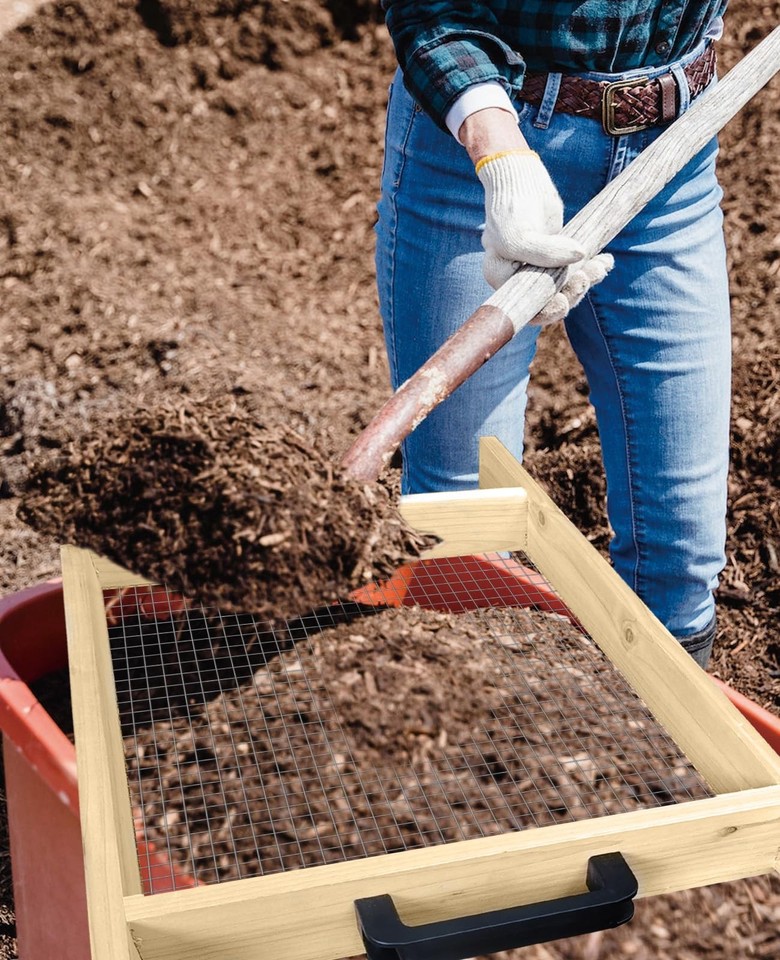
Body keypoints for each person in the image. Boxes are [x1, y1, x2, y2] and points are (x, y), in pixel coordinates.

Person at [376, 2, 730, 668]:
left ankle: (657, 764)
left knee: (680, 556)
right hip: (480, 148)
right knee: (465, 527)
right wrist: (501, 158)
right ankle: (473, 755)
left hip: (673, 153)